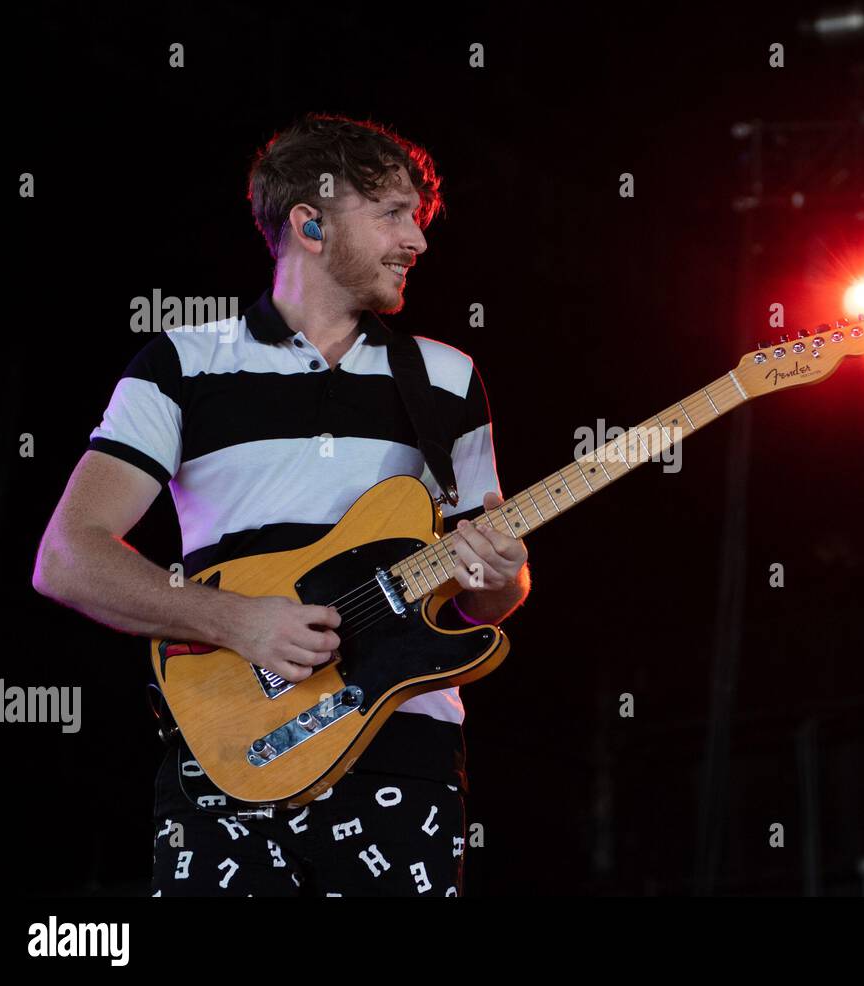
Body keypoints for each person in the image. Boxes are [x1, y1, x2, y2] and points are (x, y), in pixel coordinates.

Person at [31, 113, 530, 896]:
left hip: (402, 751)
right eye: (394, 214)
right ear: (310, 222)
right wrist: (239, 622)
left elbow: (485, 601)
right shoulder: (181, 363)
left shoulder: (447, 376)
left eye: (418, 219)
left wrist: (499, 574)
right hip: (229, 747)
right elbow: (67, 557)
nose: (418, 242)